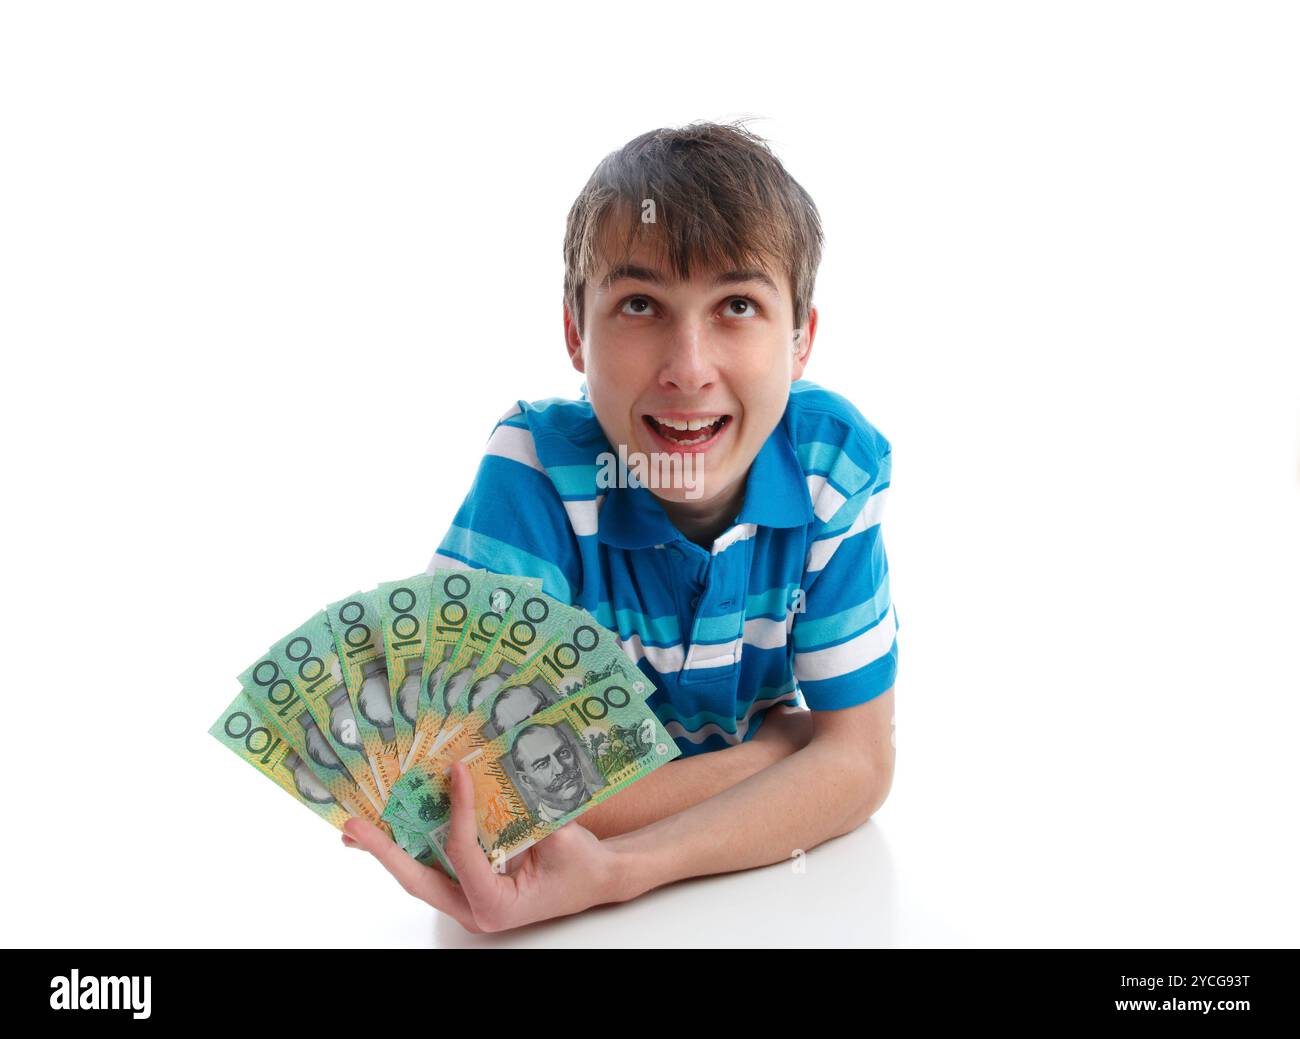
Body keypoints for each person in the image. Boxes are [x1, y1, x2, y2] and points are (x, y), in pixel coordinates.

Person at [343, 120, 899, 933]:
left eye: (737, 305)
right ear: (576, 331)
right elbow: (470, 805)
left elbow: (861, 764)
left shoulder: (832, 466)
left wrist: (623, 866)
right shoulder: (534, 473)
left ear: (801, 338)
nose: (688, 366)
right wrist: (780, 755)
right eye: (640, 304)